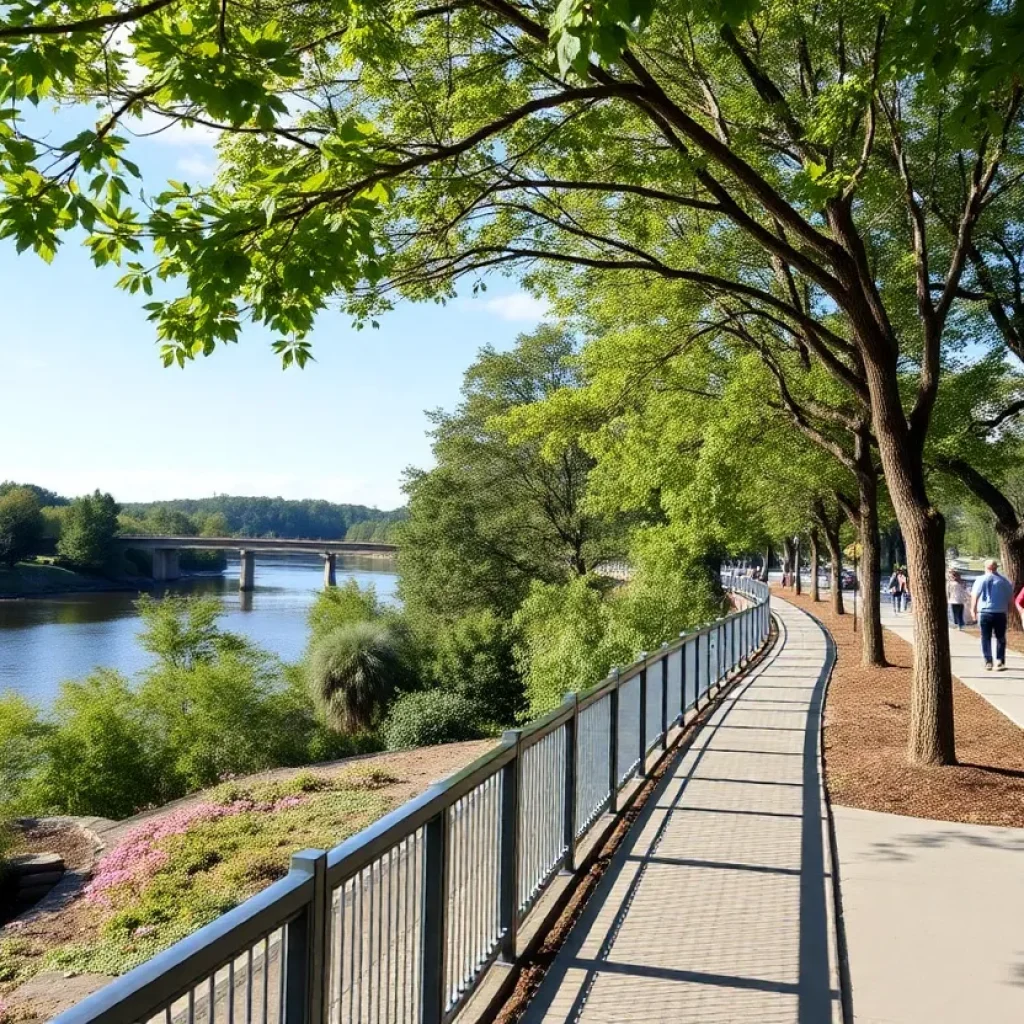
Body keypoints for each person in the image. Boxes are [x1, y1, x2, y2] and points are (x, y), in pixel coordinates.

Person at [970, 559, 1014, 671]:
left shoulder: (980, 579)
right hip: (1000, 612)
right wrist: (1010, 611)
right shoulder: (1004, 581)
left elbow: (975, 596)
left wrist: (973, 611)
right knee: (1000, 637)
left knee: (985, 637)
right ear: (996, 567)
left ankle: (988, 661)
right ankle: (999, 661)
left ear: (985, 567)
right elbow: (1011, 599)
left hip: (985, 612)